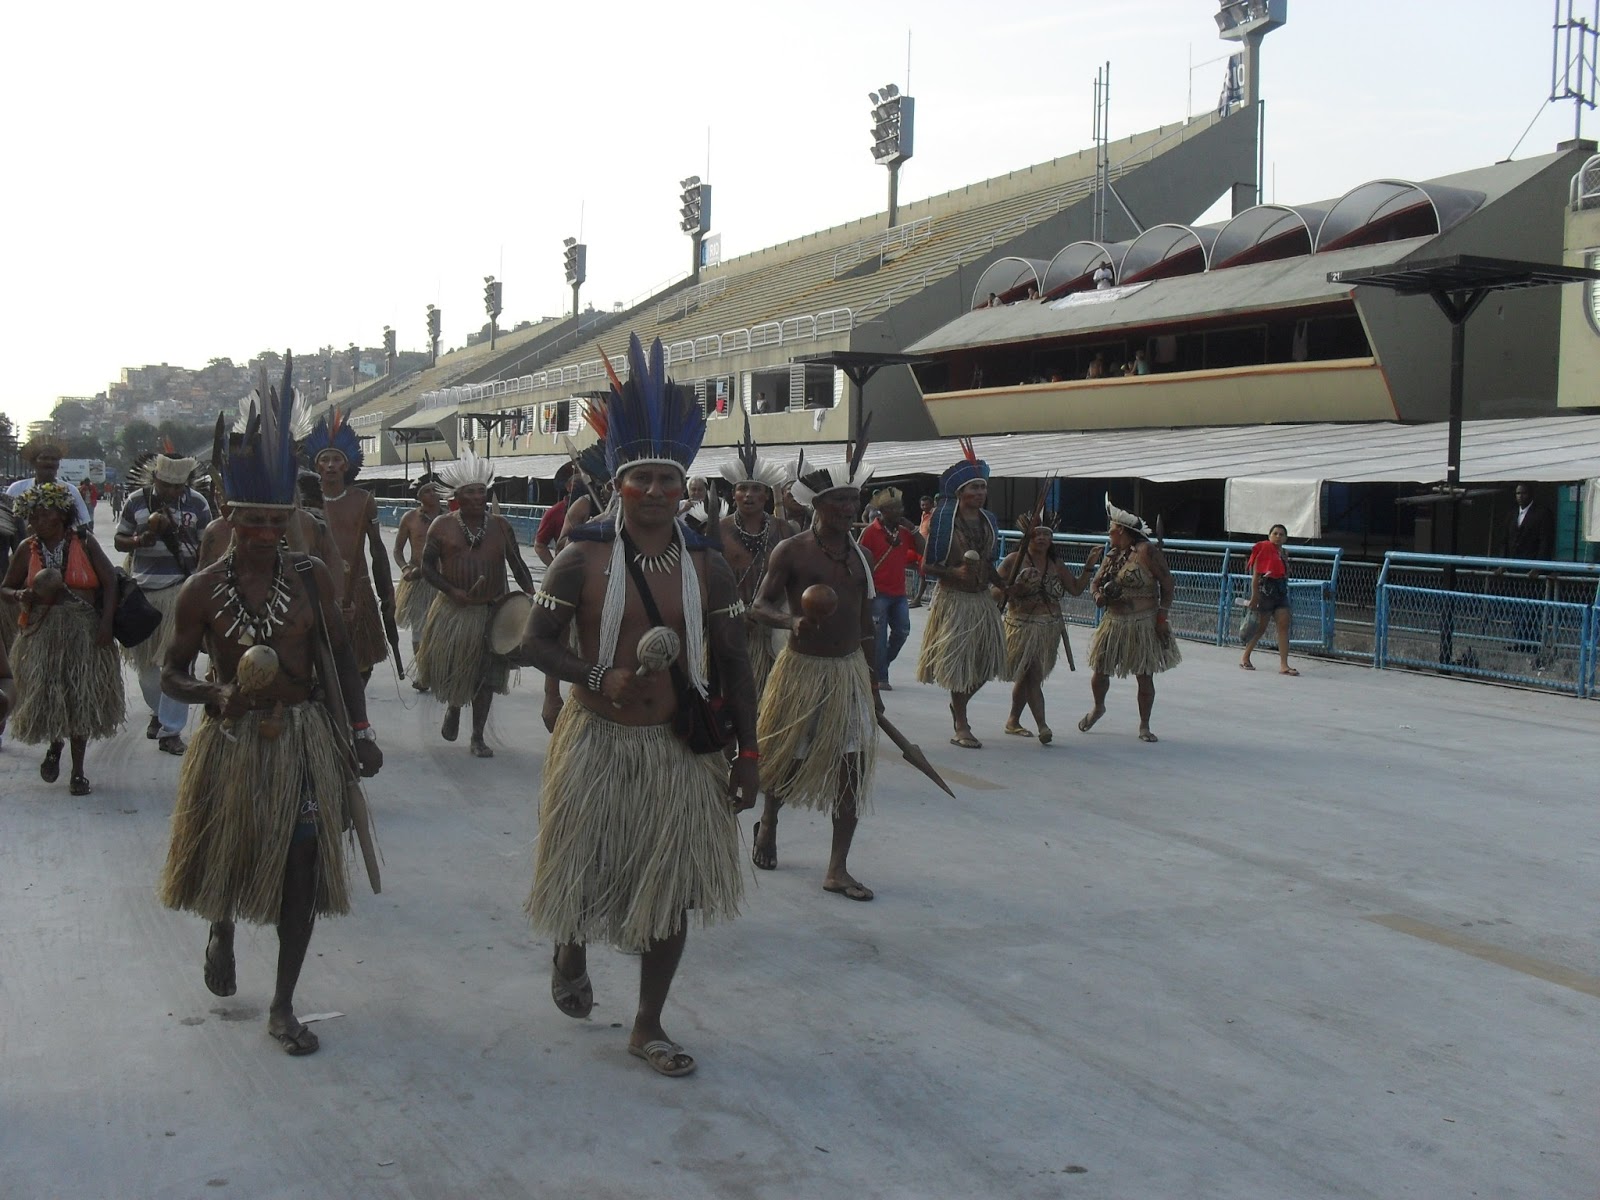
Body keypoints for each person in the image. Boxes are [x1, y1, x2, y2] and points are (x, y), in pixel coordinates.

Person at [522, 334, 756, 1079]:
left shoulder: (708, 568)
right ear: (618, 484)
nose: (656, 491)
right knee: (583, 871)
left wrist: (749, 754)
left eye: (667, 479)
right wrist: (595, 673)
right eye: (642, 479)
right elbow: (533, 643)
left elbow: (736, 664)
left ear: (684, 488)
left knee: (673, 891)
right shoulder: (580, 557)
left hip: (675, 750)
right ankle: (570, 942)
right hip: (599, 740)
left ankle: (648, 1025)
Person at [158, 367, 382, 1057]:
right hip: (231, 740)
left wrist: (360, 730)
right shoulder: (201, 590)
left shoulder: (312, 577)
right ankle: (221, 925)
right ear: (229, 516)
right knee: (225, 852)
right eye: (250, 521)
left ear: (291, 516)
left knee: (304, 864)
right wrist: (214, 694)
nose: (262, 533)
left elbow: (341, 657)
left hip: (305, 735)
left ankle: (285, 1005)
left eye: (274, 520)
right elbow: (172, 671)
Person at [749, 449, 879, 895]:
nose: (848, 508)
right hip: (801, 671)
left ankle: (837, 867)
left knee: (853, 767)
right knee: (787, 758)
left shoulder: (859, 558)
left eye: (853, 500)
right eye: (839, 500)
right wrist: (791, 622)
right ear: (816, 504)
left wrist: (873, 685)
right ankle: (769, 820)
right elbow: (759, 606)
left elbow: (866, 625)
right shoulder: (792, 551)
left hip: (848, 674)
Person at [0, 483, 124, 793]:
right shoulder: (27, 548)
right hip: (43, 631)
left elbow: (110, 583)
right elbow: (4, 587)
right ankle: (55, 747)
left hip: (83, 629)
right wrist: (20, 593)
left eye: (43, 515)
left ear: (60, 515)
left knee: (79, 696)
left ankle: (78, 772)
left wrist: (106, 624)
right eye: (33, 516)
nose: (36, 521)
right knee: (53, 694)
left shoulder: (84, 542)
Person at [413, 450, 535, 757]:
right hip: (455, 612)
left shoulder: (500, 526)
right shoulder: (441, 525)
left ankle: (478, 736)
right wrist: (452, 591)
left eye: (482, 491)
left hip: (493, 611)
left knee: (487, 676)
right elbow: (427, 568)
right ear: (457, 496)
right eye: (471, 492)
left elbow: (518, 565)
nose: (478, 497)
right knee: (458, 669)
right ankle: (454, 707)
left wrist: (532, 597)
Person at [114, 451, 214, 754]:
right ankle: (159, 712)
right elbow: (120, 540)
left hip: (181, 592)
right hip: (144, 593)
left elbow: (208, 546)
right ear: (155, 478)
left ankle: (171, 731)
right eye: (165, 484)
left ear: (186, 483)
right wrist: (140, 541)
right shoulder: (135, 501)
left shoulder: (198, 503)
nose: (170, 491)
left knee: (177, 662)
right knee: (146, 670)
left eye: (177, 486)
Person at [916, 441, 1006, 749]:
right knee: (960, 663)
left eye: (983, 487)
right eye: (974, 487)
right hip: (955, 600)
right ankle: (962, 723)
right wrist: (953, 573)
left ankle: (960, 704)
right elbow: (927, 565)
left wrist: (1006, 586)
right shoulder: (943, 521)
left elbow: (989, 562)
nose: (980, 493)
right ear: (960, 492)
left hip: (982, 599)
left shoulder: (989, 521)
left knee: (989, 663)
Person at [1079, 495, 1180, 742]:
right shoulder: (1114, 554)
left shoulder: (1147, 551)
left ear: (1123, 531)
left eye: (1112, 530)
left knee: (1144, 673)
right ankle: (1098, 707)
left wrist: (1162, 616)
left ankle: (1144, 725)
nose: (1109, 534)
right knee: (1100, 669)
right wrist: (1097, 595)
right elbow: (1095, 582)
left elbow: (1167, 583)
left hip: (1142, 620)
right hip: (1114, 620)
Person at [302, 411, 394, 684]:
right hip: (316, 587)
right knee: (315, 662)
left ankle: (354, 719)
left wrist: (387, 595)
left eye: (336, 459)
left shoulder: (363, 500)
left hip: (358, 588)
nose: (330, 465)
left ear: (347, 464)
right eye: (325, 459)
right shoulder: (304, 501)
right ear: (316, 465)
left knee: (360, 664)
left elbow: (377, 551)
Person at [997, 511, 1101, 741]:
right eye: (1037, 533)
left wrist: (1088, 568)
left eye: (1046, 534)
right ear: (1028, 537)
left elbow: (1074, 589)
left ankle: (1013, 720)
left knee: (1027, 677)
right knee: (1032, 675)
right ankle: (1043, 726)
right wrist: (1015, 588)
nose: (1042, 538)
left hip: (1047, 629)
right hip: (1021, 626)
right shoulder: (1014, 560)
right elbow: (994, 591)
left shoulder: (1055, 563)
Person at [716, 419, 797, 696]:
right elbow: (707, 581)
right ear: (733, 494)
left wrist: (778, 616)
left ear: (766, 495)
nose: (748, 495)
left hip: (771, 624)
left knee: (769, 696)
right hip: (728, 626)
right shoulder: (718, 530)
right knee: (730, 696)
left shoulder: (785, 529)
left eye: (756, 489)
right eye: (742, 489)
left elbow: (792, 581)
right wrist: (732, 614)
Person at [857, 486, 925, 690]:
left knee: (902, 632)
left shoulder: (904, 532)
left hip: (899, 593)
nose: (899, 512)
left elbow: (923, 549)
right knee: (879, 637)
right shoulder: (869, 532)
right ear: (883, 512)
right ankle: (881, 678)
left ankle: (881, 665)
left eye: (900, 508)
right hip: (877, 593)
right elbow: (860, 559)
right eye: (894, 509)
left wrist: (913, 529)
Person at [392, 478, 448, 668]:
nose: (433, 493)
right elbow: (397, 550)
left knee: (442, 628)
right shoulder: (409, 518)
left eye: (435, 489)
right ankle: (423, 669)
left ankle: (439, 668)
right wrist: (405, 568)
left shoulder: (451, 518)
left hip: (445, 580)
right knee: (420, 629)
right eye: (428, 491)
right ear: (419, 496)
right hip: (418, 580)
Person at [1239, 523, 1297, 675]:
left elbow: (1285, 574)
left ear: (1285, 538)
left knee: (1283, 626)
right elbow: (1256, 576)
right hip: (1266, 592)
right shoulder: (1263, 550)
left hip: (1280, 592)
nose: (1278, 537)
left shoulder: (1284, 553)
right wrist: (1254, 597)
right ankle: (1245, 656)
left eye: (1281, 534)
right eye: (1275, 533)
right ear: (1269, 535)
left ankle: (1284, 665)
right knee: (1260, 628)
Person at [6, 436, 92, 528]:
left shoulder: (71, 491)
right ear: (33, 462)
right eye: (44, 458)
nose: (49, 462)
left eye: (54, 459)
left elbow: (82, 527)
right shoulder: (16, 489)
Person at [533, 468, 576, 567]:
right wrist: (554, 568)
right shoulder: (555, 512)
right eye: (577, 482)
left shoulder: (599, 507)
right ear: (568, 487)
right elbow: (540, 545)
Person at [911, 493, 936, 606]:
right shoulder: (923, 514)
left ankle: (918, 598)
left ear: (931, 504)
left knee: (923, 572)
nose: (924, 507)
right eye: (922, 505)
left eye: (926, 505)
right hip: (918, 545)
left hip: (926, 547)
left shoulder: (934, 514)